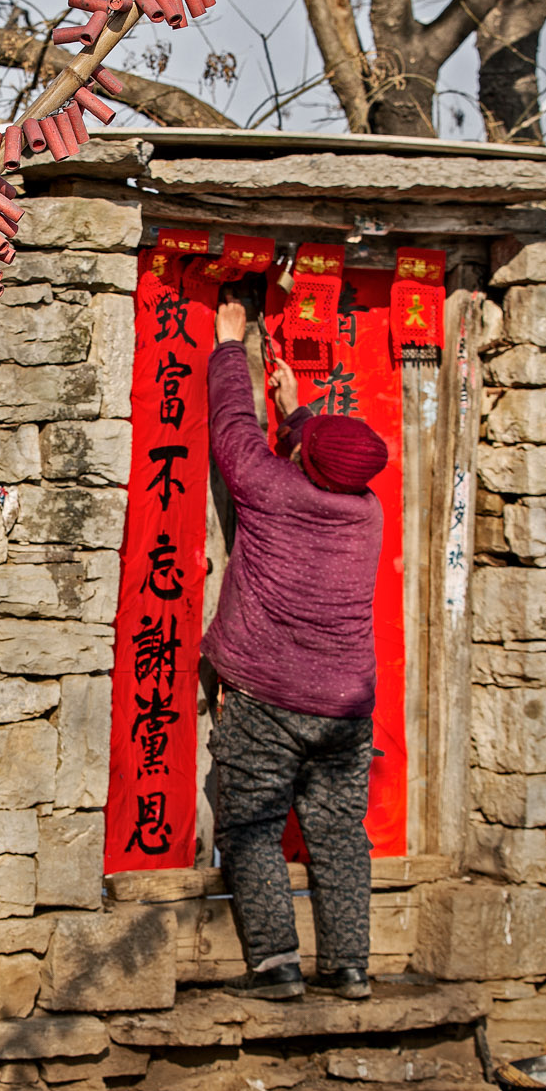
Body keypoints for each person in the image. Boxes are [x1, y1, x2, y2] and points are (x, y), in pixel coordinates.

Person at [203, 298, 388, 1005]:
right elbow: (325, 462)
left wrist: (228, 347)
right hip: (344, 707)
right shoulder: (364, 511)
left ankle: (275, 965)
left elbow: (230, 431)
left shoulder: (272, 491)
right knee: (338, 833)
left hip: (267, 698)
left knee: (249, 823)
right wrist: (298, 413)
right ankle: (347, 968)